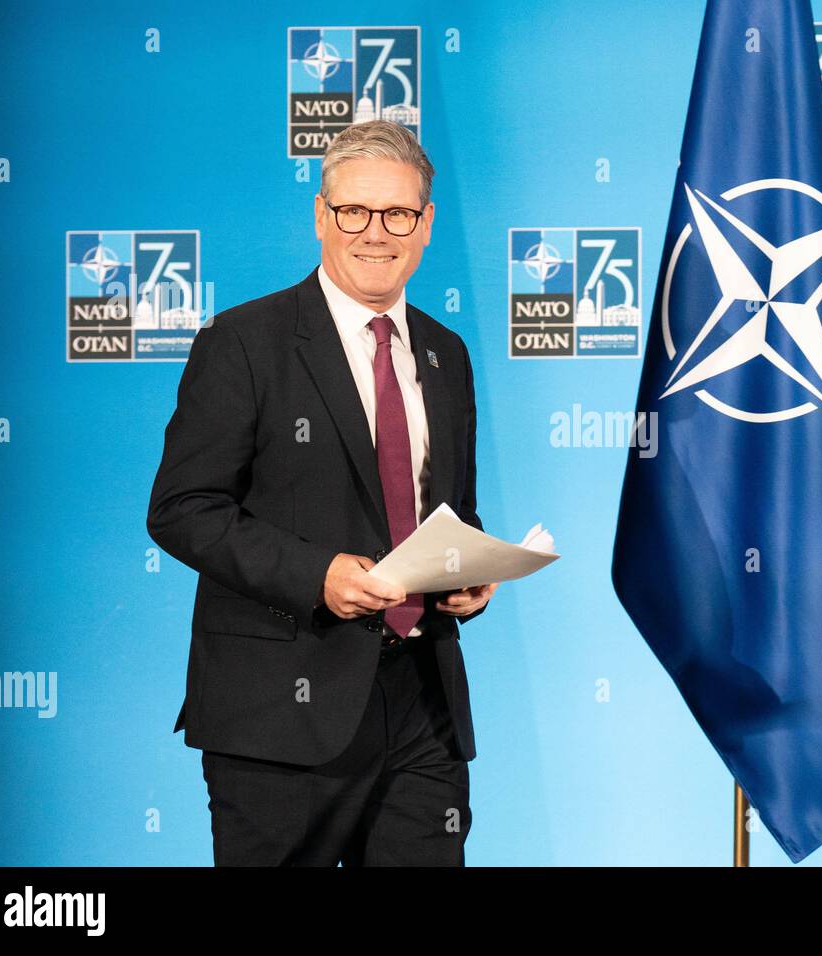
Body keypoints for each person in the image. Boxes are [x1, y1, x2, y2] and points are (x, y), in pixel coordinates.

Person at [147, 119, 495, 866]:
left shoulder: (446, 353)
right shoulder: (243, 343)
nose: (376, 232)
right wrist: (316, 576)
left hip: (422, 711)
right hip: (279, 716)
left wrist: (469, 573)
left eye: (398, 213)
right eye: (354, 212)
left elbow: (450, 513)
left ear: (427, 224)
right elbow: (183, 509)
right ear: (321, 217)